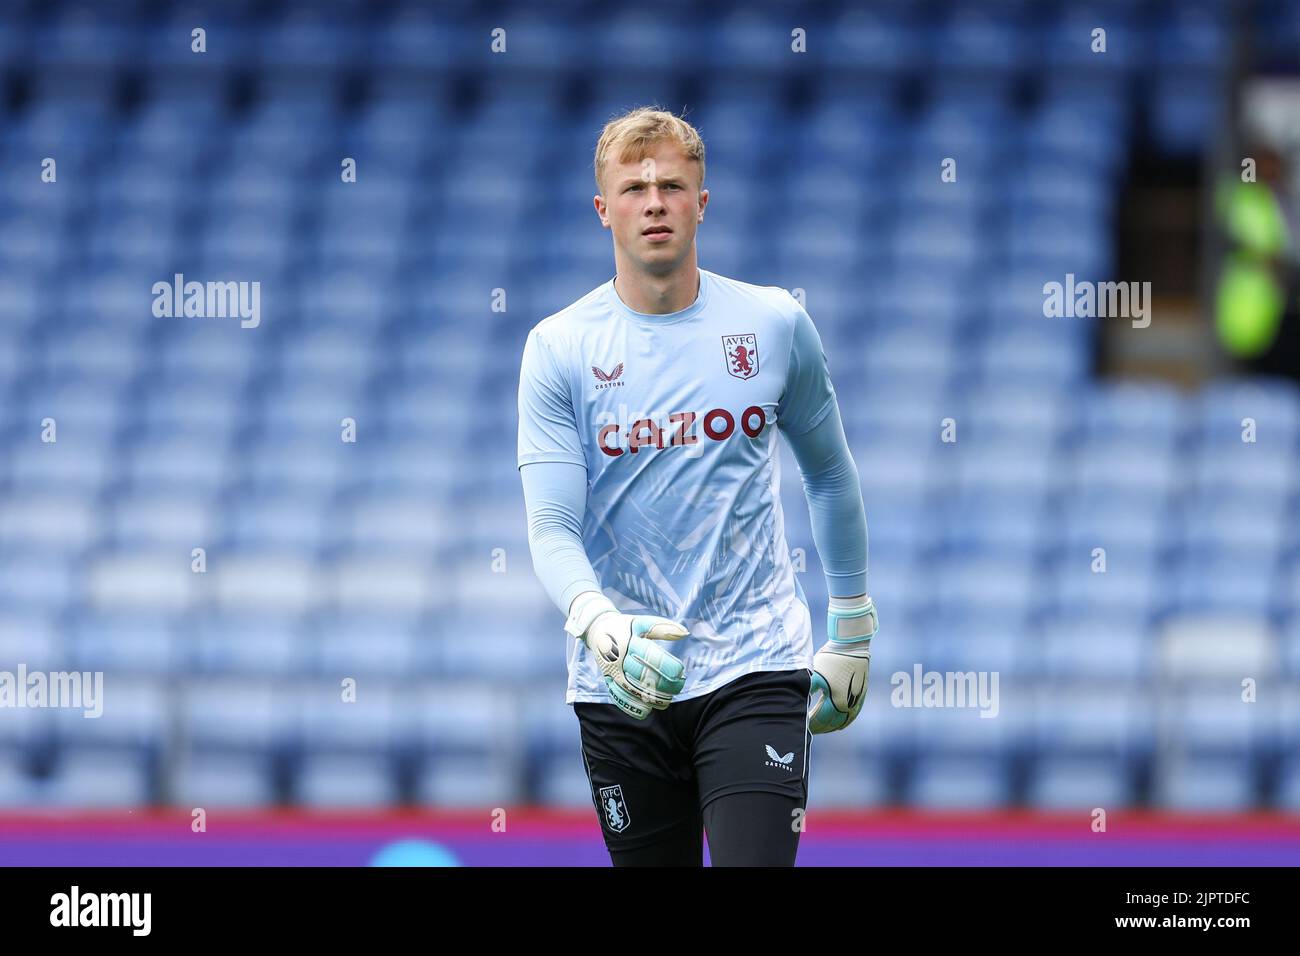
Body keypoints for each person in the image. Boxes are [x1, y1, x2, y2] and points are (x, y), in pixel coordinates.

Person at [516, 106, 875, 866]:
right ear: (603, 209)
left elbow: (832, 474)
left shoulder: (774, 323)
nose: (654, 201)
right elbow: (551, 527)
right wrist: (599, 624)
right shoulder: (559, 349)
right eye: (635, 186)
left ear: (701, 203)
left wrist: (853, 629)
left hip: (755, 666)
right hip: (620, 681)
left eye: (673, 185)